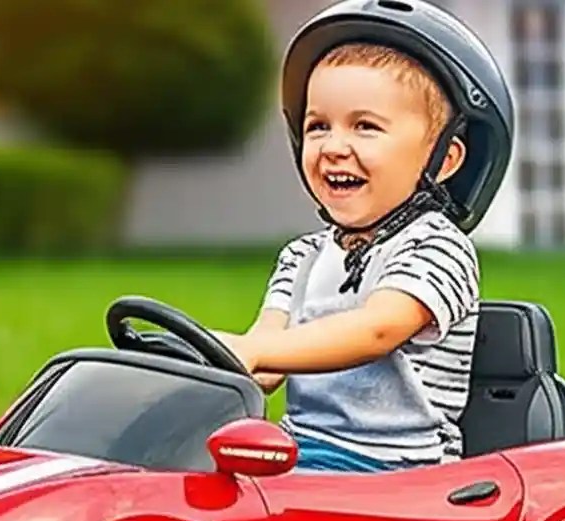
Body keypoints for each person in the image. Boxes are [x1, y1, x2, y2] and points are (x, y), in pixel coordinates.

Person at [216, 0, 515, 472]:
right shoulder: (303, 257)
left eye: (365, 127)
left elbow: (378, 328)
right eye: (318, 126)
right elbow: (267, 360)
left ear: (446, 159)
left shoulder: (437, 247)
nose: (334, 147)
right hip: (302, 454)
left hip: (394, 472)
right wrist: (203, 358)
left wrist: (254, 350)